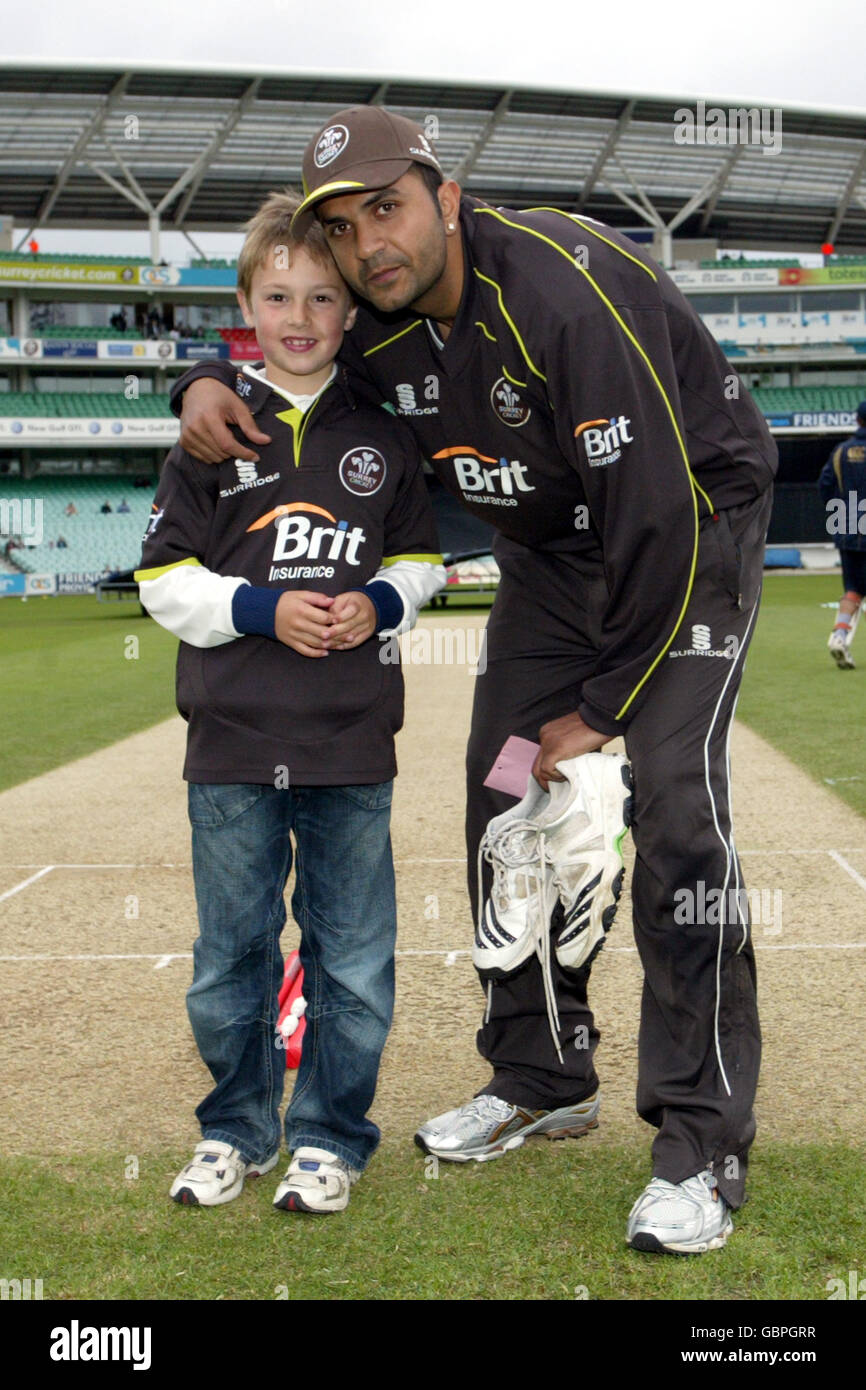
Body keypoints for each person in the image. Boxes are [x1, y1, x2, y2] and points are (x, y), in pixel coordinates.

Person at [170, 107, 777, 1254]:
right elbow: (284, 346)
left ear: (444, 196)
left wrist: (598, 713)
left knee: (677, 817)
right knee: (506, 796)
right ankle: (543, 1071)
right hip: (549, 566)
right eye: (342, 231)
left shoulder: (556, 289)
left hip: (689, 536)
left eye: (384, 210)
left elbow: (652, 516)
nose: (368, 246)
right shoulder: (379, 316)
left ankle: (702, 1142)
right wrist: (197, 381)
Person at [135, 186, 445, 1213]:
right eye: (279, 296)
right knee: (227, 961)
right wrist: (263, 608)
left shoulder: (383, 434)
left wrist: (381, 601)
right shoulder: (213, 430)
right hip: (229, 746)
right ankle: (235, 1129)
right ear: (246, 307)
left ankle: (328, 1138)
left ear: (348, 313)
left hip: (352, 745)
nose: (301, 317)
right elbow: (161, 582)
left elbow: (422, 559)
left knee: (351, 964)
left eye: (321, 296)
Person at [819, 400, 866, 669]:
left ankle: (839, 635)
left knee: (853, 589)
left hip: (848, 525)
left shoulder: (841, 451)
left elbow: (825, 485)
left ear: (858, 420)